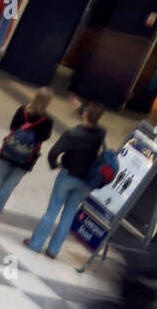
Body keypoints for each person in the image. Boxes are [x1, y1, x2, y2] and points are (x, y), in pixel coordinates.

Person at [23, 102, 106, 258]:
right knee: (68, 214)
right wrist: (84, 110)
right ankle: (53, 250)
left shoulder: (72, 134)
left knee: (53, 209)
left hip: (68, 175)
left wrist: (55, 165)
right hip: (85, 180)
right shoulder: (101, 133)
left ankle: (35, 243)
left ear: (85, 114)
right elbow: (94, 122)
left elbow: (53, 153)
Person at [0, 89, 53, 232]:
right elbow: (44, 137)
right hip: (26, 158)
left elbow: (12, 127)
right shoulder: (47, 120)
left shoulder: (22, 111)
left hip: (9, 151)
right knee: (8, 187)